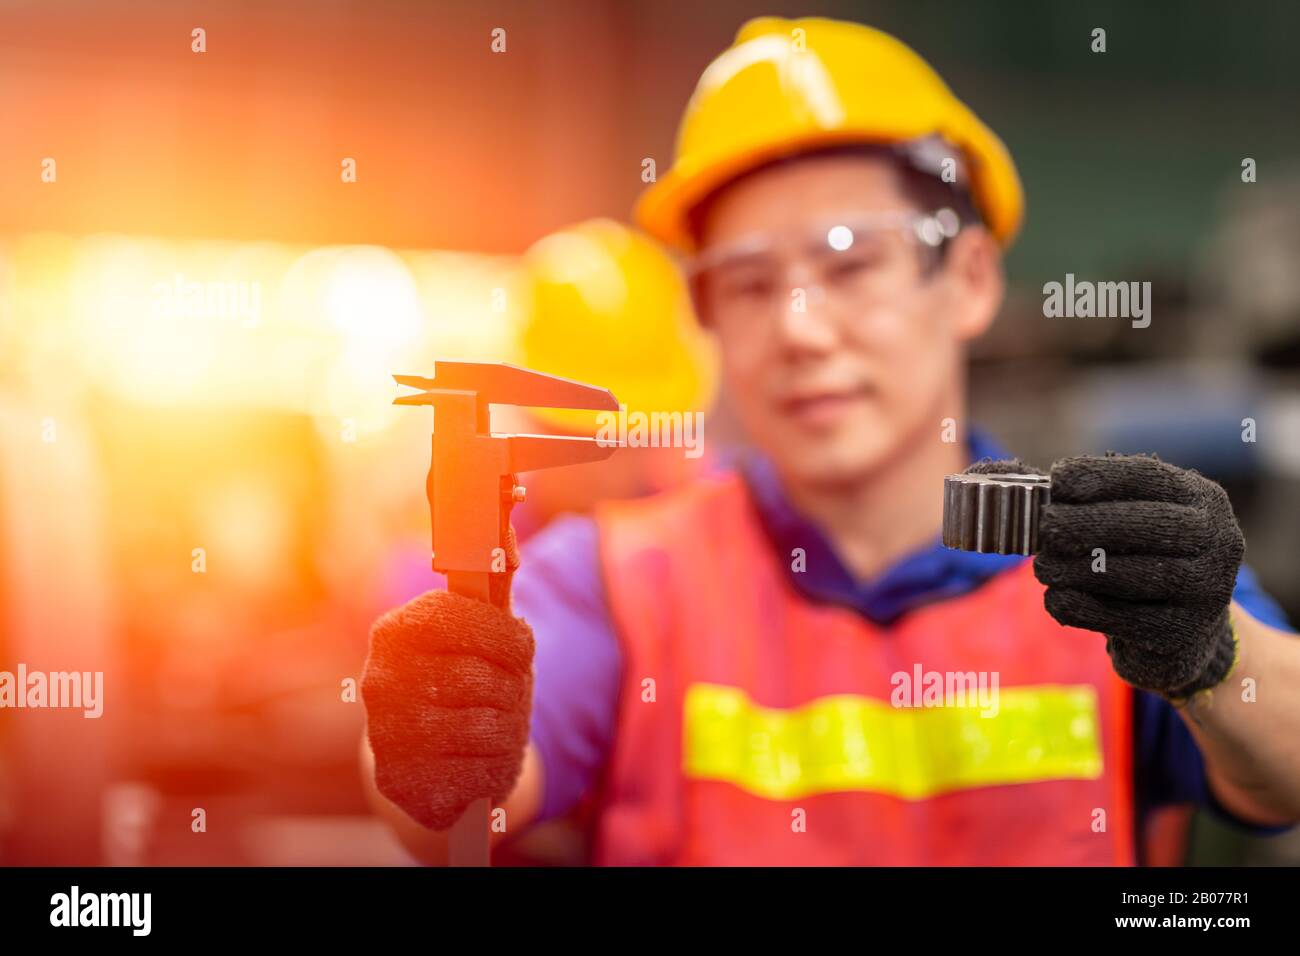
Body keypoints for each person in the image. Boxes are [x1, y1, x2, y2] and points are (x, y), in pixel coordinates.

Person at [360, 16, 1300, 865]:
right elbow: (468, 809)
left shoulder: (1115, 566)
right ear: (709, 319)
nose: (802, 329)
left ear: (969, 279)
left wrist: (1209, 652)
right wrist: (428, 742)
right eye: (751, 282)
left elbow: (1286, 769)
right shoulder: (614, 583)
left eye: (851, 265)